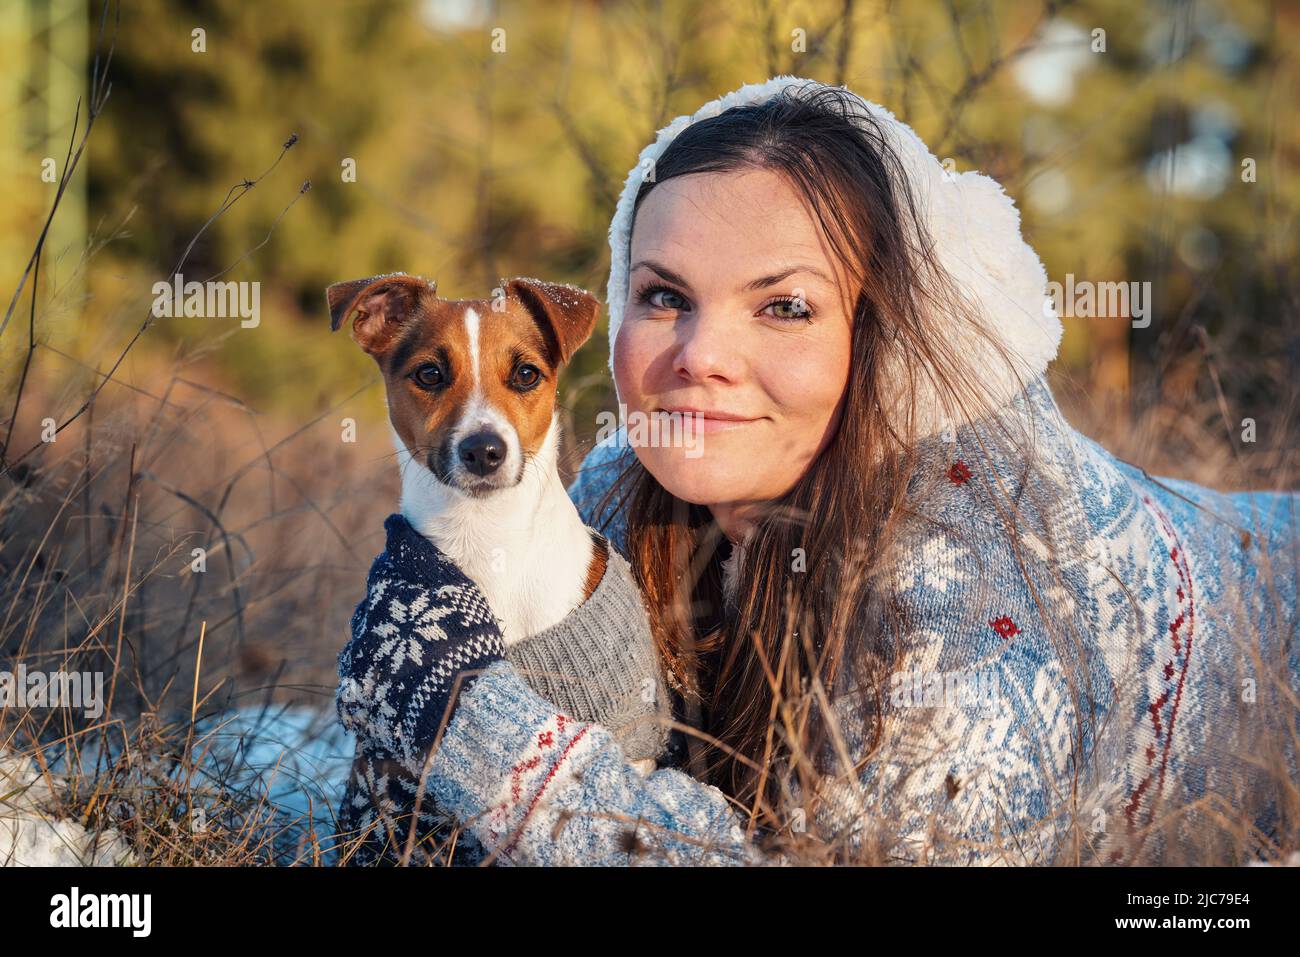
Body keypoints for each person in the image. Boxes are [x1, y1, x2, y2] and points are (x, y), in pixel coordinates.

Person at [335, 76, 1298, 866]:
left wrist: (465, 720)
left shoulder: (982, 588)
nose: (699, 354)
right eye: (664, 294)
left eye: (784, 307)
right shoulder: (618, 490)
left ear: (879, 334)